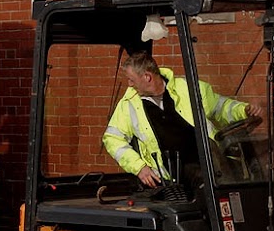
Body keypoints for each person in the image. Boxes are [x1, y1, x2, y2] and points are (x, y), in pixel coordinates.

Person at [103, 49, 264, 188]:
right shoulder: (129, 103)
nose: (129, 85)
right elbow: (112, 139)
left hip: (212, 166)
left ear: (147, 77)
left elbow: (220, 107)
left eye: (132, 79)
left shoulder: (189, 88)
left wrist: (243, 110)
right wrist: (139, 167)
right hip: (170, 179)